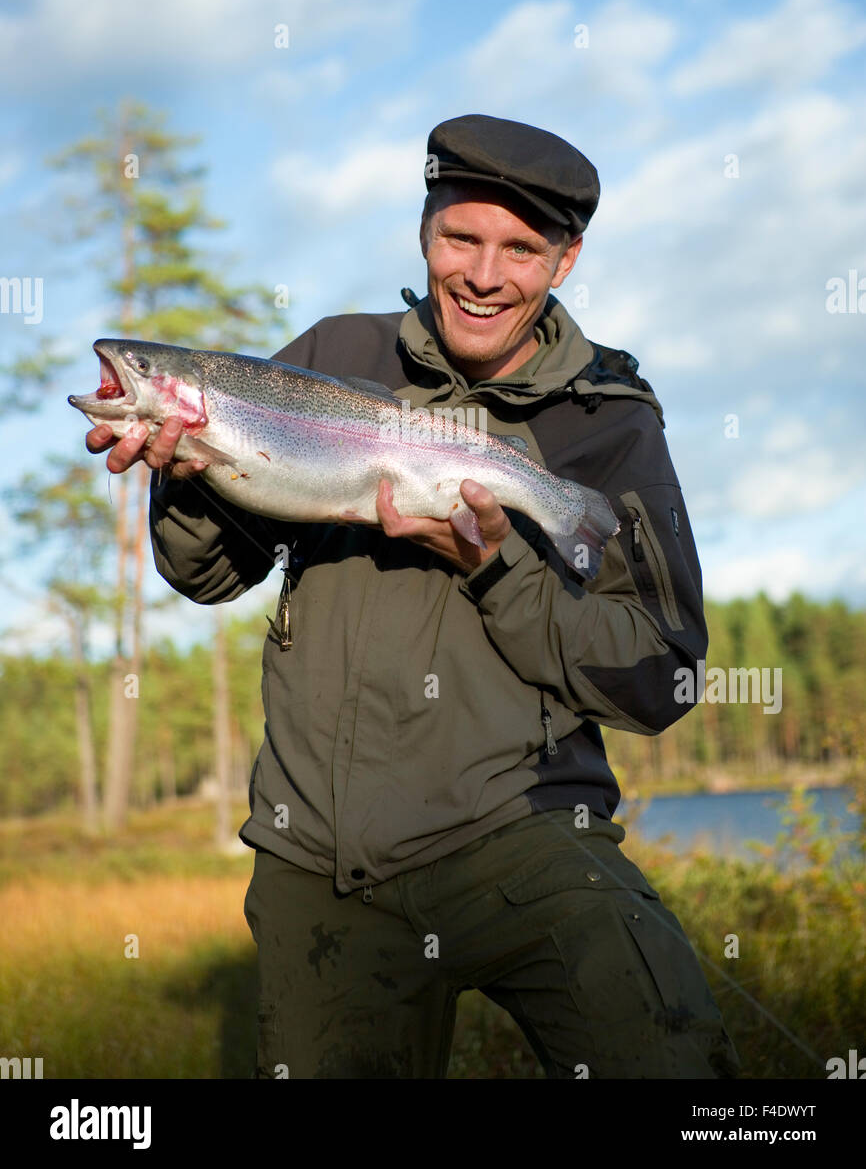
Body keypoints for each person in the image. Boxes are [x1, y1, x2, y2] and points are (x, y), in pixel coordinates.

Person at [86, 113, 741, 1080]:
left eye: (520, 249)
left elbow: (661, 680)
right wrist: (183, 471)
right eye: (459, 238)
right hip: (319, 858)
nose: (484, 274)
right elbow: (207, 575)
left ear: (565, 261)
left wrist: (496, 568)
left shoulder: (608, 424)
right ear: (423, 230)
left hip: (527, 838)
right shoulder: (331, 353)